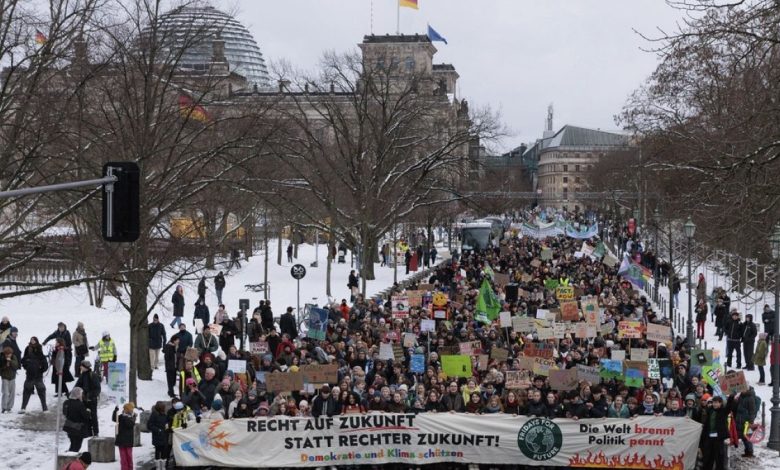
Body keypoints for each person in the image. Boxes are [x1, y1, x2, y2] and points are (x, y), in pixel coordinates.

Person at [700, 396, 729, 470]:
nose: (714, 404)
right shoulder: (710, 410)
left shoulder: (723, 411)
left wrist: (731, 397)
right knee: (708, 456)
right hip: (709, 437)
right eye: (713, 402)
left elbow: (730, 406)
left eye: (716, 403)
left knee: (719, 457)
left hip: (718, 438)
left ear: (720, 403)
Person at [20, 336, 47, 412]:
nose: (32, 341)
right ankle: (23, 408)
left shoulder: (39, 349)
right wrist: (27, 367)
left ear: (36, 341)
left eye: (33, 340)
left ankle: (44, 408)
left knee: (41, 391)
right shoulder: (27, 348)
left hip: (38, 376)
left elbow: (44, 363)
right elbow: (23, 360)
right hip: (30, 375)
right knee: (27, 391)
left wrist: (41, 369)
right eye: (31, 339)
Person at [75, 360, 101, 436]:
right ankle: (87, 431)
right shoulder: (82, 375)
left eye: (81, 366)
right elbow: (77, 385)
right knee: (85, 415)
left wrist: (89, 395)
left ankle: (96, 432)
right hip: (84, 399)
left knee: (93, 416)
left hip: (92, 400)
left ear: (85, 367)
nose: (80, 367)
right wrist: (72, 393)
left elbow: (97, 389)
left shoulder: (93, 375)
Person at [63, 387, 91, 452]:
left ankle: (69, 456)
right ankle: (71, 459)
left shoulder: (66, 402)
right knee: (76, 446)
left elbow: (64, 412)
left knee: (73, 444)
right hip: (78, 429)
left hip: (69, 427)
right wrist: (88, 411)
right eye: (81, 393)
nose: (82, 395)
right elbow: (86, 416)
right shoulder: (79, 404)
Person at [112, 402, 137, 470]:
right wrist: (115, 410)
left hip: (127, 441)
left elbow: (130, 424)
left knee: (128, 457)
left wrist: (126, 417)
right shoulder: (123, 416)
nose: (123, 410)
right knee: (124, 458)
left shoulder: (131, 417)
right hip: (122, 441)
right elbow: (114, 419)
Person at [0, 345, 19, 412]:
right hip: (5, 377)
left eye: (9, 354)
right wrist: (5, 364)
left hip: (12, 377)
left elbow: (16, 366)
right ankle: (4, 407)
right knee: (5, 392)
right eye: (6, 354)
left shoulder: (14, 357)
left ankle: (9, 407)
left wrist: (10, 361)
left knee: (12, 393)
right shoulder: (2, 358)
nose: (8, 355)